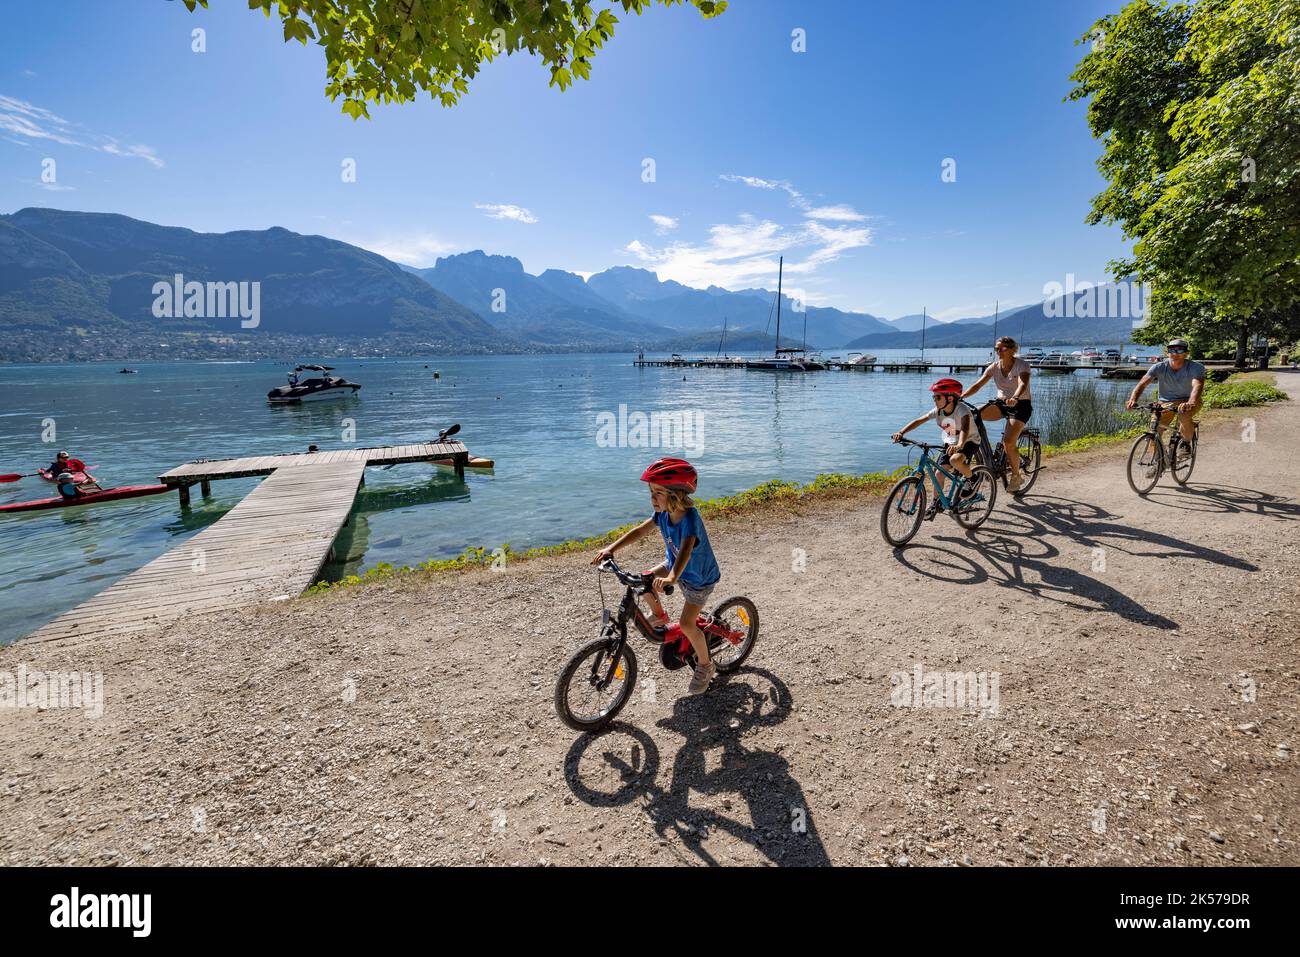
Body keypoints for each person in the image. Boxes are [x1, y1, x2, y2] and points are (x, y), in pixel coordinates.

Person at [592, 457, 722, 696]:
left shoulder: (690, 519)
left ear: (675, 495)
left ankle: (705, 665)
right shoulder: (662, 514)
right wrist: (612, 548)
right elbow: (640, 531)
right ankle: (660, 615)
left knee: (686, 624)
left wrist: (672, 578)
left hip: (698, 577)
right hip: (674, 566)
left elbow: (685, 550)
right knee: (643, 579)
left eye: (658, 493)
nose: (652, 498)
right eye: (651, 492)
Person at [892, 378, 981, 512]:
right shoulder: (938, 411)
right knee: (939, 473)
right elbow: (919, 421)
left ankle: (972, 478)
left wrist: (960, 444)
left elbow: (965, 428)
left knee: (955, 460)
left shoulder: (962, 410)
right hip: (951, 442)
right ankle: (936, 502)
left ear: (950, 398)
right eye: (934, 397)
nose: (934, 399)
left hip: (969, 441)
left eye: (937, 397)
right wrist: (901, 432)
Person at [962, 336, 1033, 492]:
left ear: (1012, 349)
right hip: (1001, 404)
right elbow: (977, 385)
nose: (998, 351)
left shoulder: (1022, 365)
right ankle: (984, 457)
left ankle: (1016, 476)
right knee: (974, 415)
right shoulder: (994, 367)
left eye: (1002, 349)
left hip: (1020, 405)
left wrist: (1015, 397)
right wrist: (961, 397)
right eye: (996, 349)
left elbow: (1023, 383)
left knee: (1008, 442)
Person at [1126, 337, 1206, 456]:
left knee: (1184, 414)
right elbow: (1142, 384)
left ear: (1186, 353)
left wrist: (1191, 402)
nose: (1175, 354)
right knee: (1154, 429)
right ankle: (1158, 461)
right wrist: (1133, 400)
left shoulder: (1196, 367)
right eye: (1172, 350)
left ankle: (1185, 442)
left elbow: (1197, 385)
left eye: (1180, 350)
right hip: (1166, 402)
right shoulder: (1159, 367)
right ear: (1167, 353)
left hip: (1188, 401)